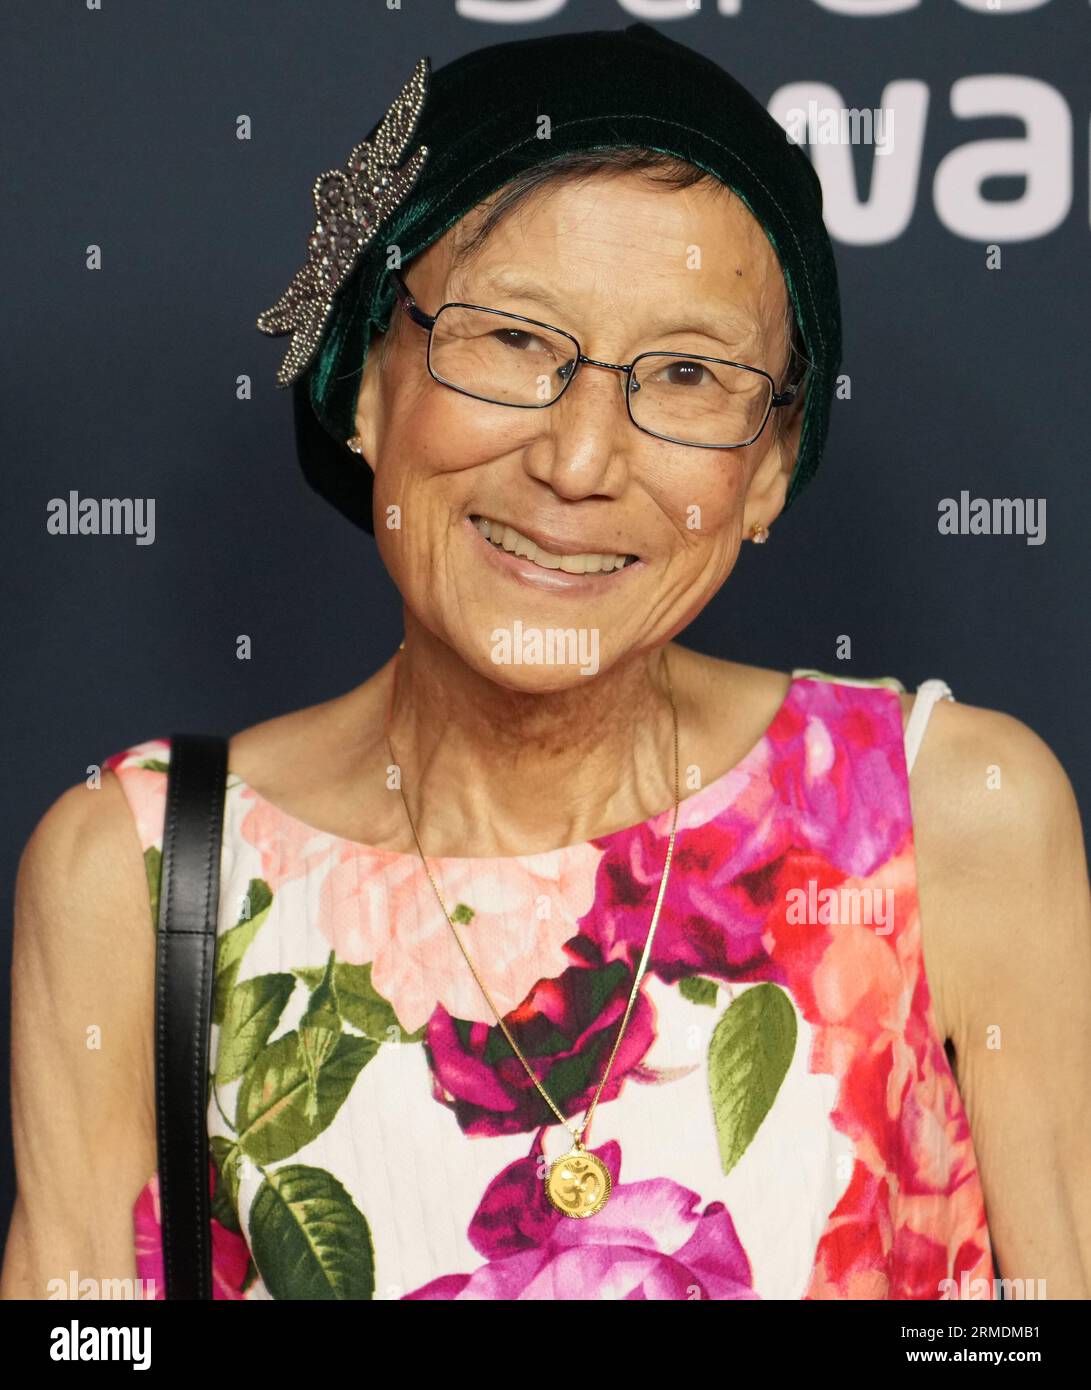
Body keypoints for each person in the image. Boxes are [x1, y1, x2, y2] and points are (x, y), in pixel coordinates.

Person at [4, 24, 1089, 1302]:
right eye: (512, 340)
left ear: (770, 467)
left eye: (686, 373)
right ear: (363, 383)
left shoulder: (948, 817)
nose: (578, 460)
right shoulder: (137, 875)